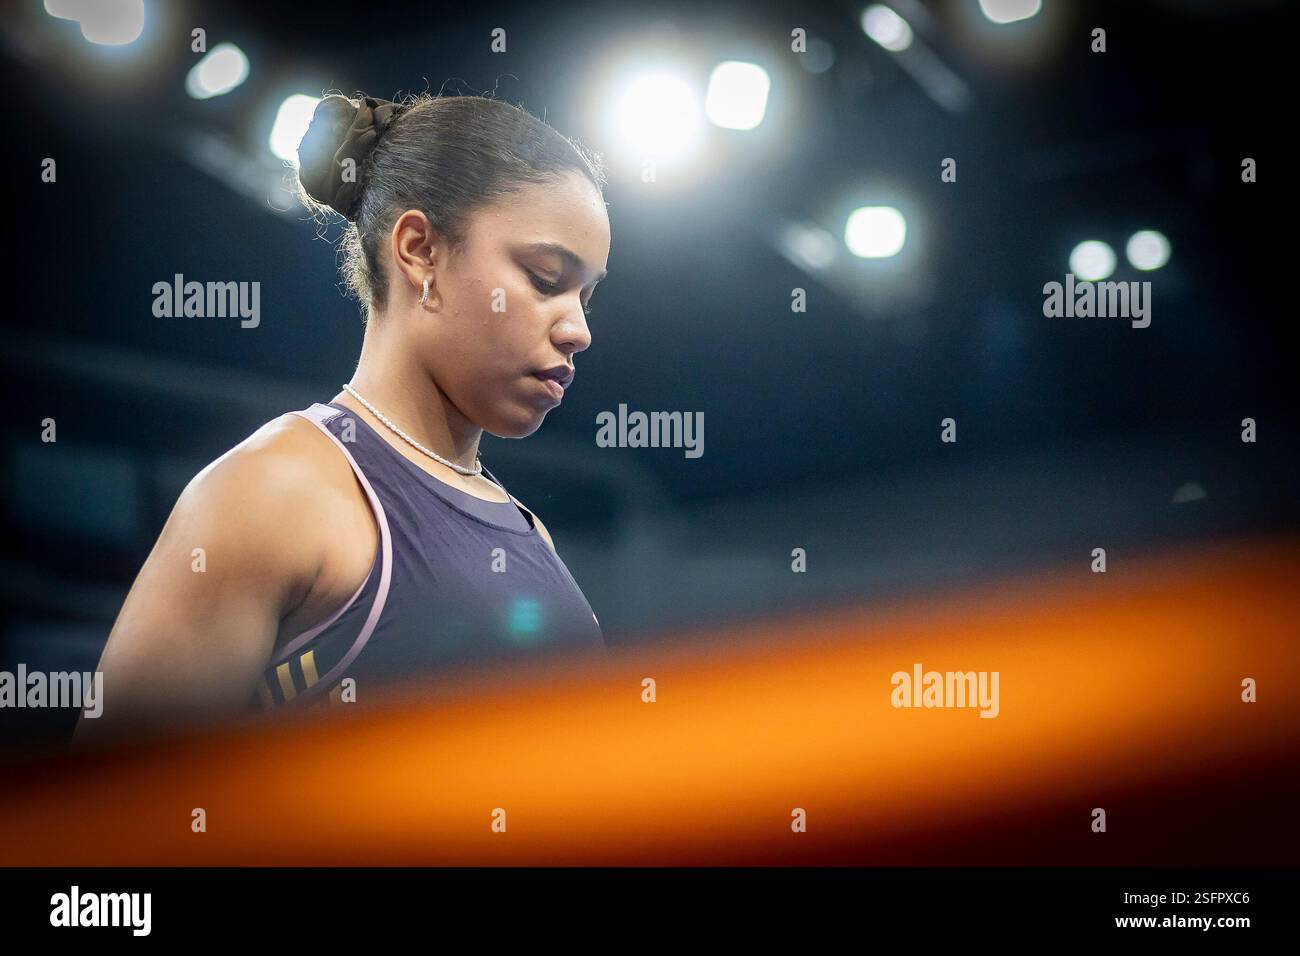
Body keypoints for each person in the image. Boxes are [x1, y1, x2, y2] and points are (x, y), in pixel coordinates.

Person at [75, 91, 612, 745]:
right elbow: (109, 811)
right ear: (420, 251)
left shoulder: (534, 537)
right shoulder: (279, 491)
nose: (579, 330)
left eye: (588, 296)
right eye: (546, 277)